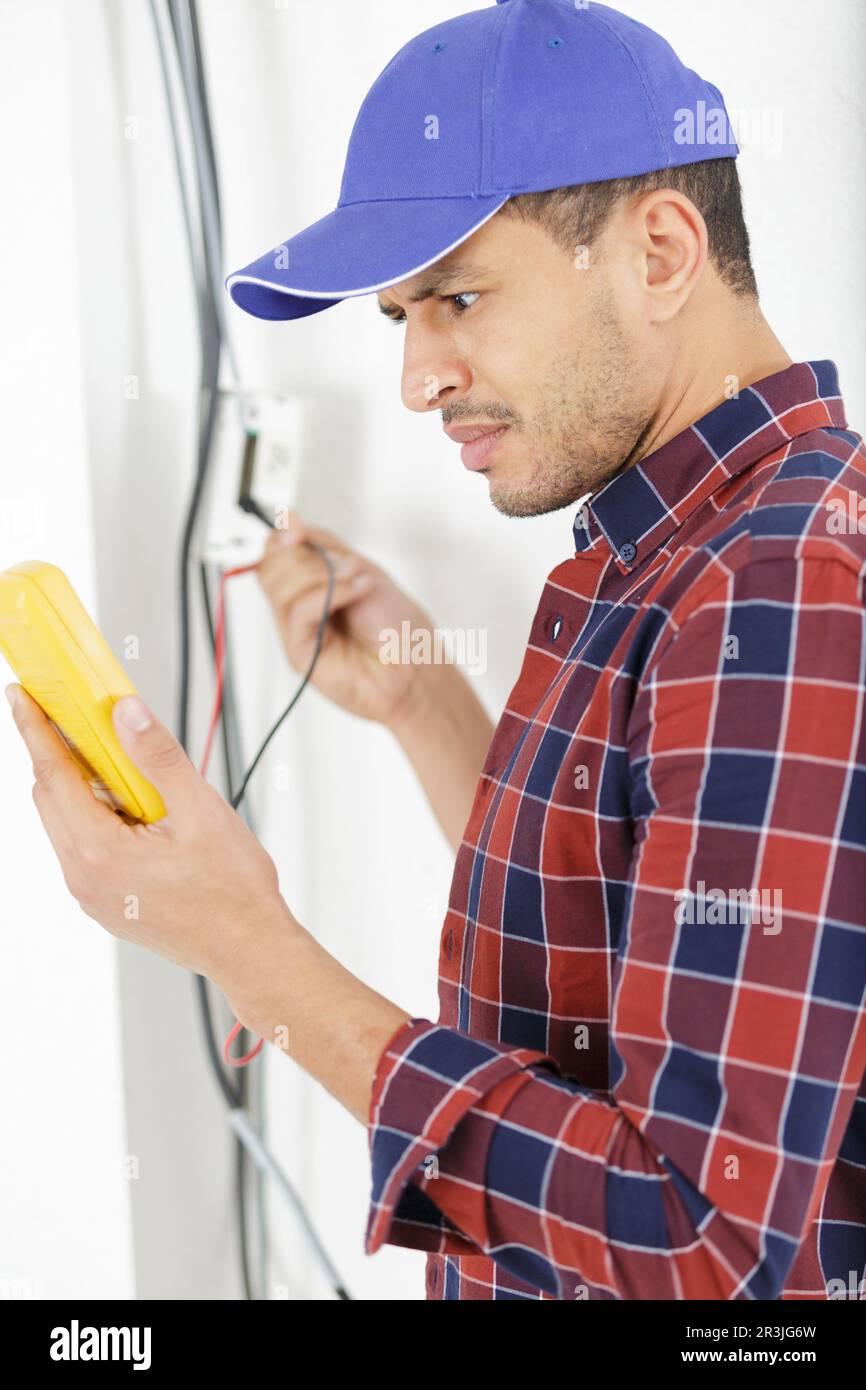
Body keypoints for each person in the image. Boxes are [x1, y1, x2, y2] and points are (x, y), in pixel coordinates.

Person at [7, 0, 865, 1300]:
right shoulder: (666, 544)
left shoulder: (777, 584)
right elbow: (644, 939)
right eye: (402, 315)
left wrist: (248, 946)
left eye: (458, 297)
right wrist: (420, 697)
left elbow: (704, 1246)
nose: (418, 379)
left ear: (657, 251)